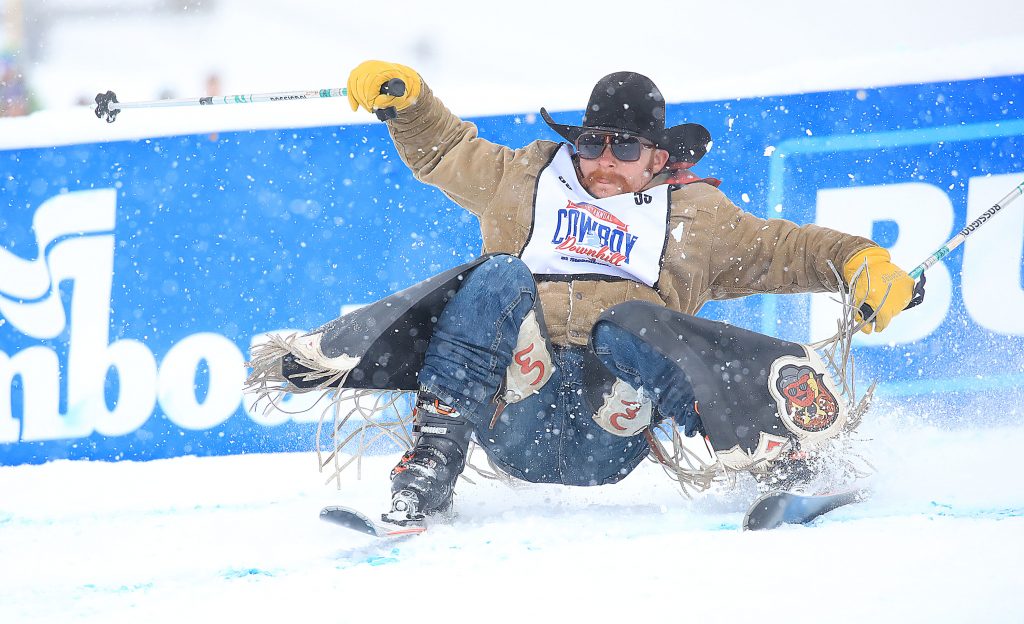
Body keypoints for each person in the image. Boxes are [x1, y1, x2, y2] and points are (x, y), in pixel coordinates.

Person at [339, 60, 915, 525]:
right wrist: (409, 104)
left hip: (613, 414)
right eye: (592, 145)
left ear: (659, 157)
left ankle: (780, 463)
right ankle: (431, 470)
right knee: (494, 276)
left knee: (629, 319)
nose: (605, 161)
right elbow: (445, 151)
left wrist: (858, 260)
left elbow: (788, 249)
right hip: (516, 401)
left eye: (625, 149)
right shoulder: (524, 178)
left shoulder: (695, 217)